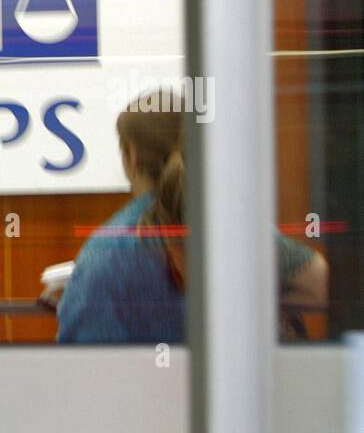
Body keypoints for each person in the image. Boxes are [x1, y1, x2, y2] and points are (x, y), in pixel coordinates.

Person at [54, 90, 328, 344]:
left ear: (132, 157)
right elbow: (316, 282)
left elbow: (82, 362)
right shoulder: (230, 219)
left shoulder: (107, 251)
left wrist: (78, 293)